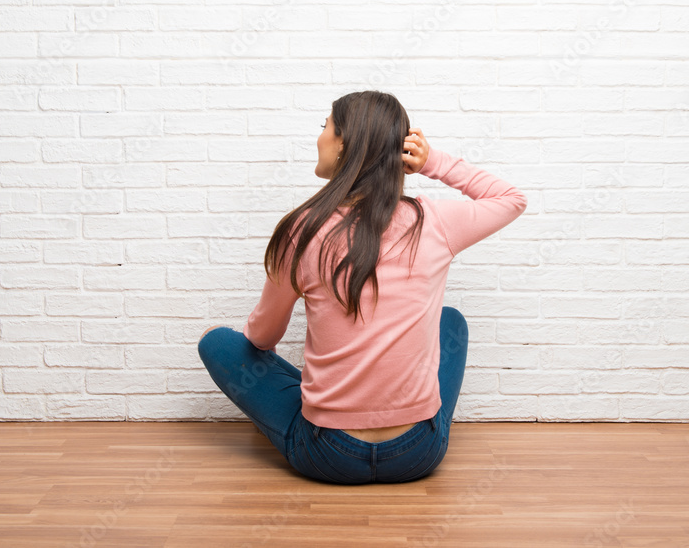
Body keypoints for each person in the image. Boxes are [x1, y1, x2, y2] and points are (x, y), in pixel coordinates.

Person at [197, 90, 527, 484]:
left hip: (328, 455)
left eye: (326, 127)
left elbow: (263, 338)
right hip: (418, 453)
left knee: (217, 343)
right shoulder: (434, 222)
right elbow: (511, 198)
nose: (319, 137)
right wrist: (433, 162)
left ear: (344, 144)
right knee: (450, 321)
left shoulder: (301, 231)